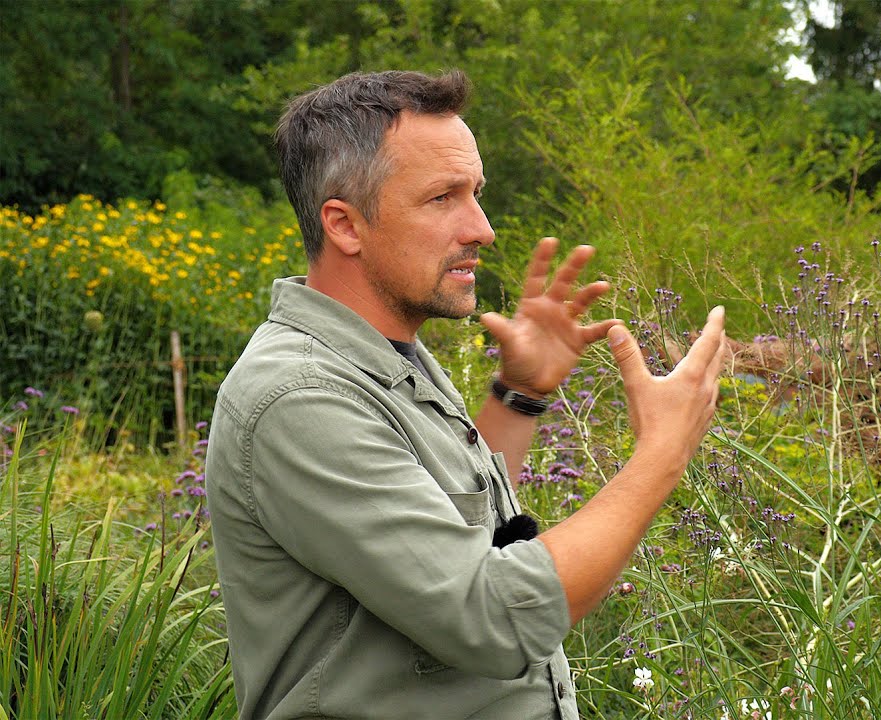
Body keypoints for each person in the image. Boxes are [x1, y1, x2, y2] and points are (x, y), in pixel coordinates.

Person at [205, 69, 726, 720]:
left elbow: (451, 533)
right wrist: (662, 454)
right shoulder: (300, 397)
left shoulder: (386, 354)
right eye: (443, 198)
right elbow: (493, 619)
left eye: (476, 193)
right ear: (344, 225)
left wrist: (520, 394)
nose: (482, 228)